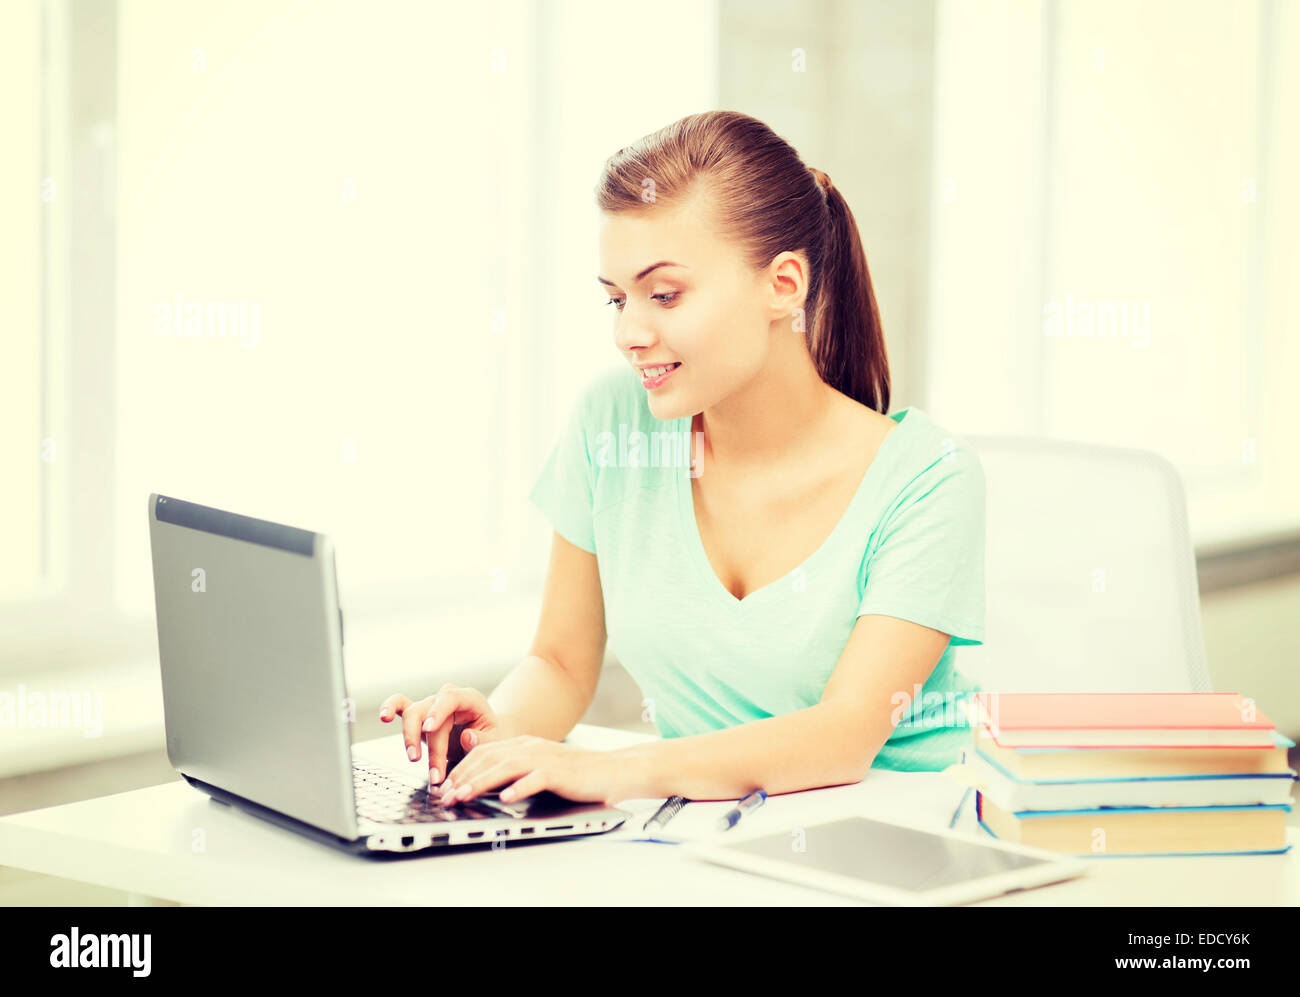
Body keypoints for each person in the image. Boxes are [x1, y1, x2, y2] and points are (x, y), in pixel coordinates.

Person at [381, 110, 985, 806]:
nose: (629, 333)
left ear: (783, 285)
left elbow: (842, 735)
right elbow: (560, 662)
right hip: (703, 837)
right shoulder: (610, 424)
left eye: (663, 294)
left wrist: (608, 771)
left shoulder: (929, 478)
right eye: (615, 299)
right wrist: (497, 734)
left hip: (905, 832)